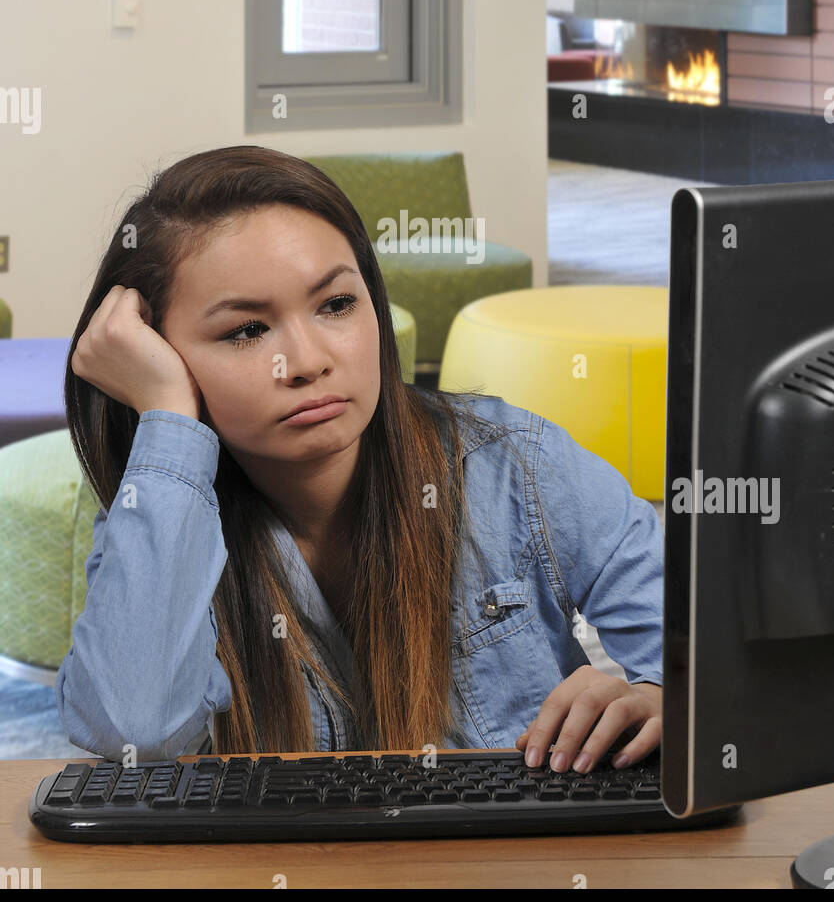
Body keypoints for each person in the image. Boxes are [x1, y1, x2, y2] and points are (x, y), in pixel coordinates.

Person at [58, 145, 663, 769]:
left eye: (336, 305)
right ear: (161, 353)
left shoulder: (515, 466)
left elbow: (712, 656)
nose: (309, 360)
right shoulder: (160, 514)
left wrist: (659, 696)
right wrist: (168, 417)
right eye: (246, 331)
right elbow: (133, 735)